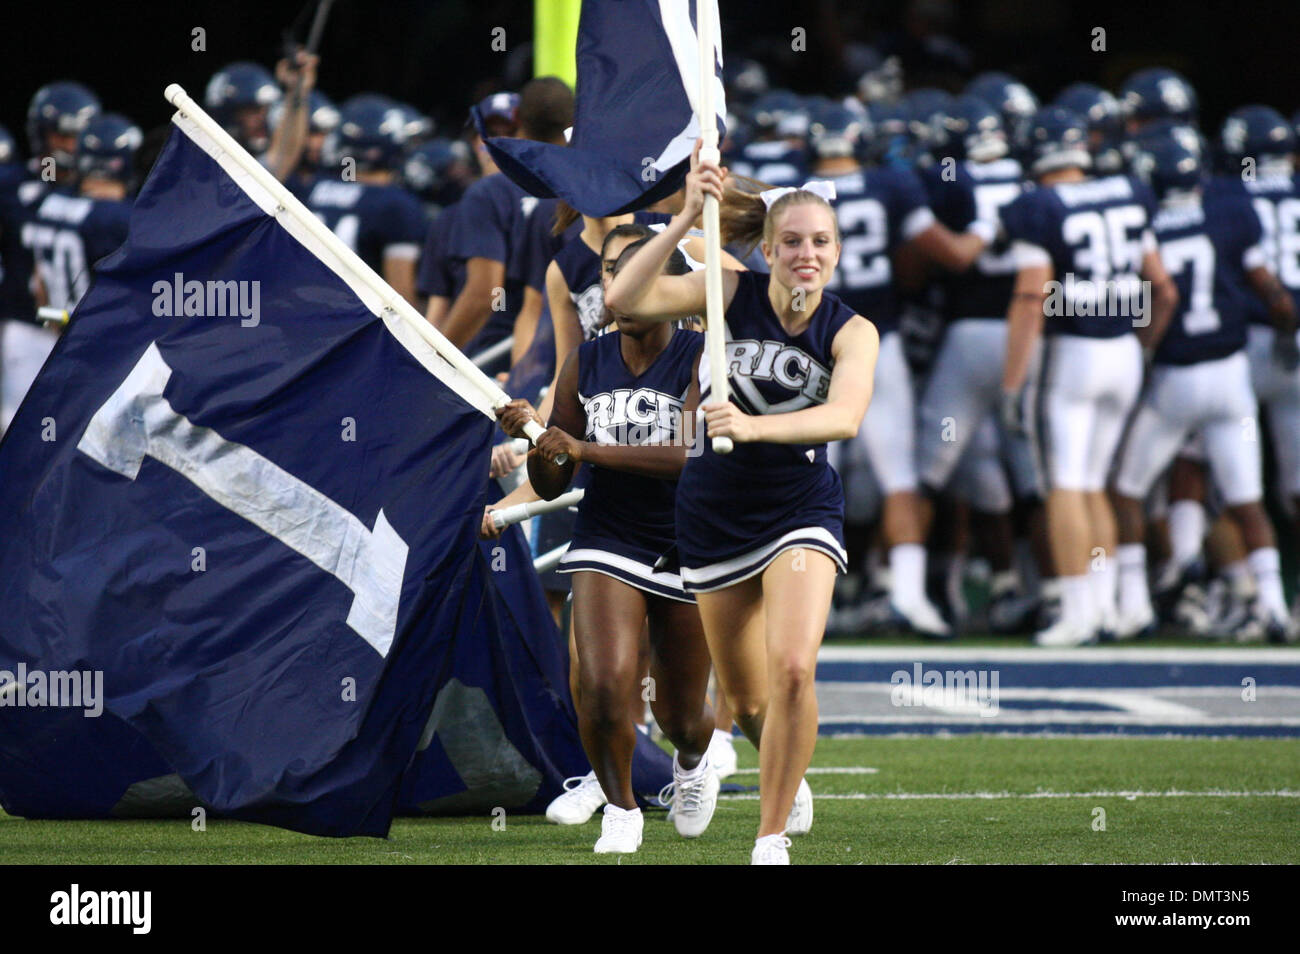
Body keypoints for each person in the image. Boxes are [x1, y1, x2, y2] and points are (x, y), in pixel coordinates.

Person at [605, 141, 880, 864]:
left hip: (799, 509)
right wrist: (686, 218)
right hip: (714, 517)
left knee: (794, 666)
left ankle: (770, 834)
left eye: (820, 242)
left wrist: (753, 426)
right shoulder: (728, 296)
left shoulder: (852, 330)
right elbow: (622, 300)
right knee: (751, 702)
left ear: (837, 250)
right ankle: (784, 765)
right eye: (791, 241)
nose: (806, 254)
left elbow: (844, 417)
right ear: (765, 249)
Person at [495, 235, 717, 854]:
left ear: (673, 292)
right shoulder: (584, 363)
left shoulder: (703, 358)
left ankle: (694, 764)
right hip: (608, 534)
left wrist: (583, 448)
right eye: (611, 276)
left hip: (687, 537)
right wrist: (539, 442)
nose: (616, 291)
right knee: (603, 682)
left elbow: (686, 457)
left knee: (680, 714)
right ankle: (621, 806)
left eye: (633, 277)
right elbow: (551, 481)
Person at [999, 106, 1178, 646]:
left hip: (1073, 356)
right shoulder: (1128, 191)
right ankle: (1103, 606)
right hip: (1123, 349)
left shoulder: (1037, 207)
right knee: (1094, 485)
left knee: (1064, 486)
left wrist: (1012, 383)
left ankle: (1077, 611)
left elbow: (1032, 298)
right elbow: (1163, 290)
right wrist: (1142, 349)